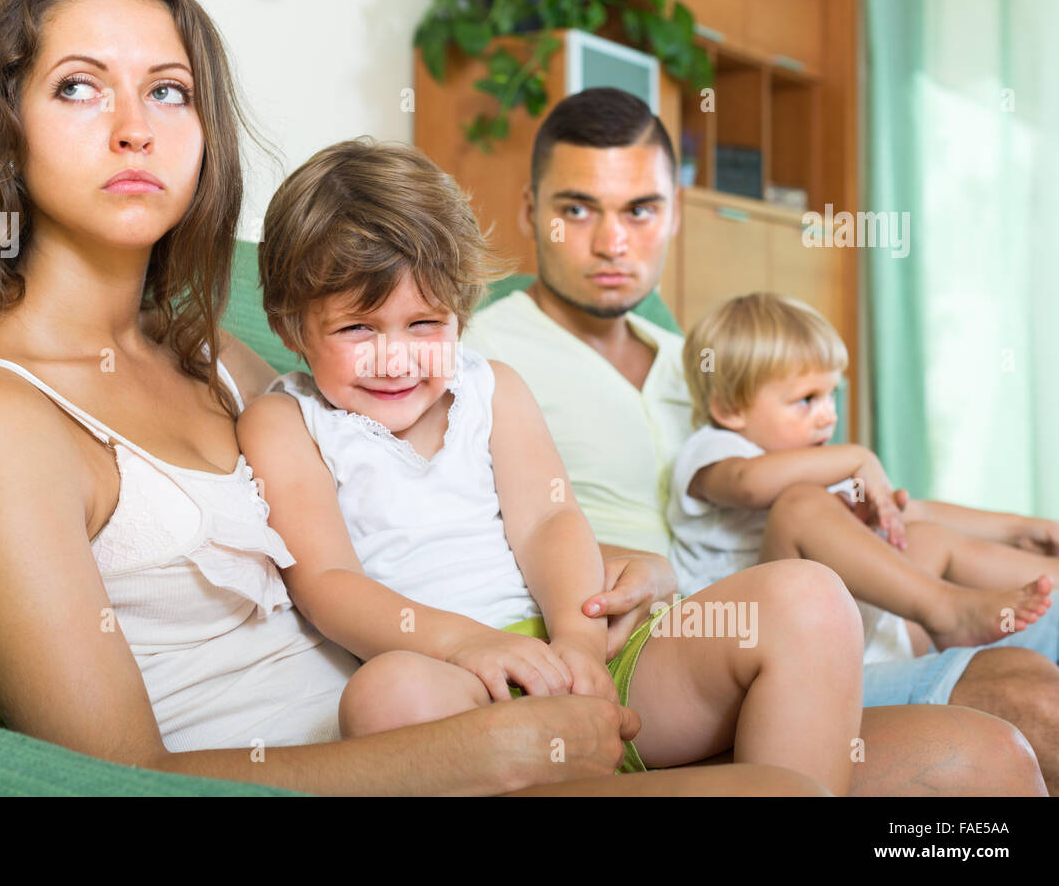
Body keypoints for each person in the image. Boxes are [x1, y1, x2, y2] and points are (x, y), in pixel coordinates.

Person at [0, 0, 860, 797]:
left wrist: (615, 565)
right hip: (410, 755)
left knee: (969, 757)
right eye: (79, 86)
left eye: (170, 90)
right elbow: (112, 780)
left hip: (478, 704)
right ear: (6, 124)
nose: (134, 125)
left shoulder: (215, 360)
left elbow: (388, 471)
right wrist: (470, 751)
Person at [459, 85, 1059, 792]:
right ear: (533, 213)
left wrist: (1018, 526)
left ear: (674, 213)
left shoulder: (694, 358)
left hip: (782, 620)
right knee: (1031, 701)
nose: (612, 242)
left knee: (1014, 667)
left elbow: (797, 485)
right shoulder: (479, 359)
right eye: (577, 209)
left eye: (640, 210)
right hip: (653, 654)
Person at [240, 137, 867, 794]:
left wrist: (576, 639)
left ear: (461, 311)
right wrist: (466, 646)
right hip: (458, 692)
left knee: (810, 597)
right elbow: (329, 581)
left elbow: (547, 521)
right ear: (290, 327)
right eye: (358, 330)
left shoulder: (493, 389)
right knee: (383, 697)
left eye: (424, 324)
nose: (396, 360)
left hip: (597, 665)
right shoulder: (287, 423)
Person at [669, 291, 1054, 653]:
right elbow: (748, 485)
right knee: (799, 505)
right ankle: (946, 610)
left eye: (831, 394)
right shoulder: (714, 450)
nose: (829, 415)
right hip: (770, 638)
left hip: (867, 630)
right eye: (807, 400)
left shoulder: (809, 460)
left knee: (925, 536)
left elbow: (912, 510)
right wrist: (856, 456)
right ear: (730, 409)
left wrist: (1022, 528)